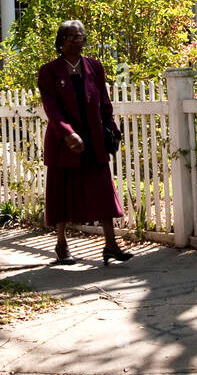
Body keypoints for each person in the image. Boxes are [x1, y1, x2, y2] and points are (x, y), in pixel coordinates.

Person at [37, 20, 132, 265]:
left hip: (93, 138)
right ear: (61, 42)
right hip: (63, 143)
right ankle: (61, 244)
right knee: (61, 193)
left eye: (81, 36)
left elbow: (104, 102)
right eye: (72, 37)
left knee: (103, 192)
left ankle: (111, 245)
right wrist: (67, 133)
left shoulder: (94, 67)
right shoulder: (49, 71)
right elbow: (52, 109)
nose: (78, 40)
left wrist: (111, 127)